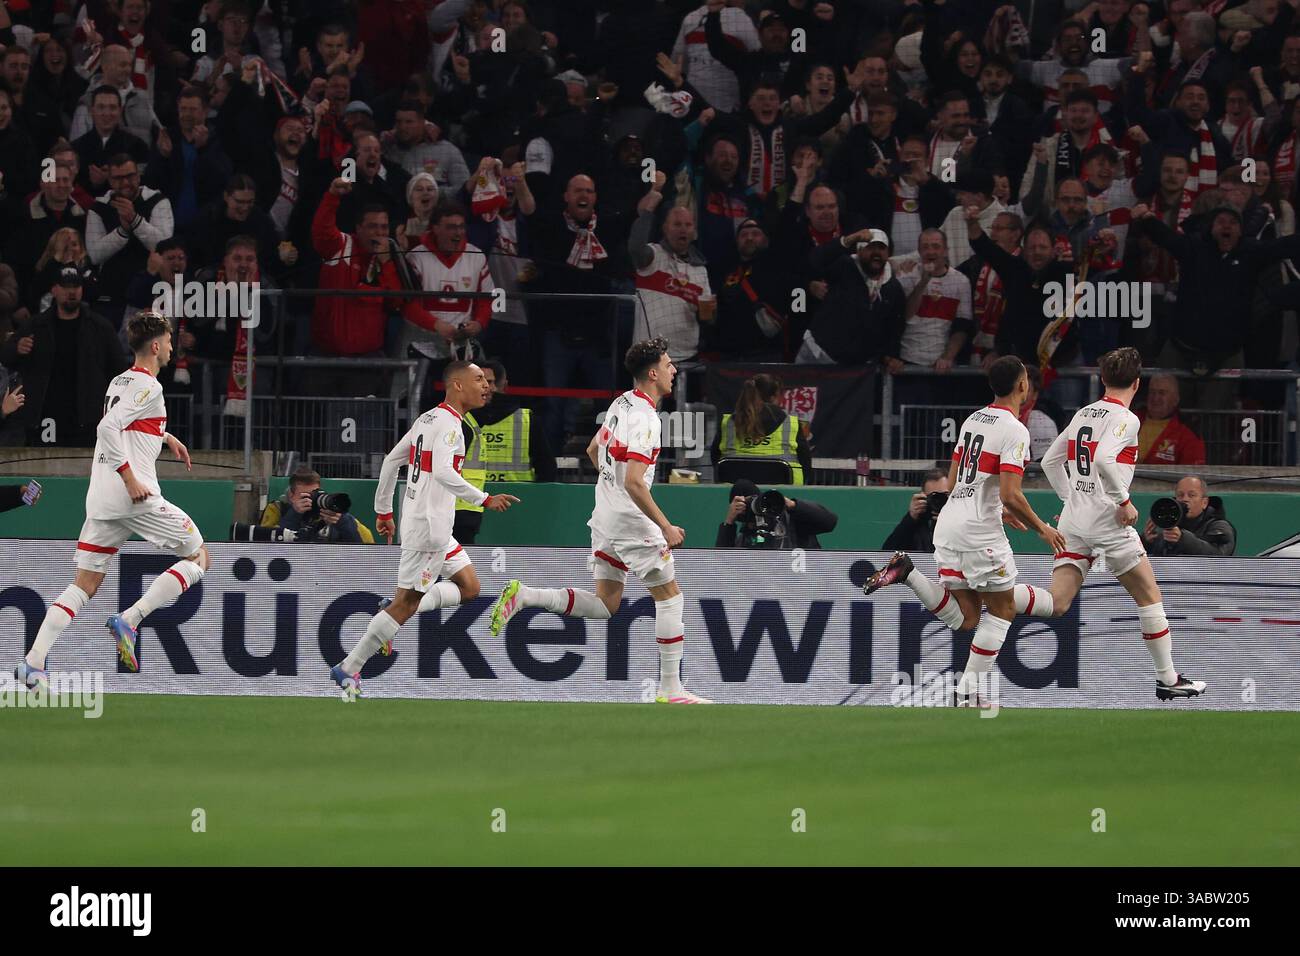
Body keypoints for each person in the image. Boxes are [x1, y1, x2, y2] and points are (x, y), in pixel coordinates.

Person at [488, 338, 713, 704]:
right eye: (670, 365)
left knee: (607, 604)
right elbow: (635, 482)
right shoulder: (645, 418)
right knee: (671, 599)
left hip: (605, 516)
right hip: (630, 520)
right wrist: (665, 527)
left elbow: (594, 450)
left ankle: (527, 595)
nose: (674, 371)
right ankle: (671, 689)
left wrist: (612, 489)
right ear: (653, 373)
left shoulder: (620, 403)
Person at [15, 311, 207, 690]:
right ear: (155, 346)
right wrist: (131, 476)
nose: (171, 347)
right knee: (199, 557)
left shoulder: (120, 381)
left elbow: (131, 424)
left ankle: (33, 663)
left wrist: (165, 438)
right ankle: (131, 619)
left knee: (85, 583)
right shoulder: (149, 387)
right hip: (133, 495)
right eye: (168, 341)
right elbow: (108, 428)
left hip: (100, 498)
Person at [864, 356, 1067, 706]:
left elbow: (957, 478)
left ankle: (907, 573)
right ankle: (968, 694)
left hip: (950, 524)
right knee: (1002, 610)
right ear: (1022, 385)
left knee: (968, 618)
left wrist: (994, 509)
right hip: (978, 533)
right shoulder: (1016, 429)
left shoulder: (975, 418)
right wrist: (1042, 529)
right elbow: (1011, 492)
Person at [1022, 347, 1206, 700]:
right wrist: (1124, 501)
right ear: (1137, 383)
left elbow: (1049, 463)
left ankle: (996, 596)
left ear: (1103, 379)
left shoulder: (1084, 413)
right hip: (1108, 521)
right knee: (1149, 597)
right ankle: (1167, 679)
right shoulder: (1128, 418)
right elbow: (1105, 457)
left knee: (1057, 602)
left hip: (1075, 520)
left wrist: (1071, 499)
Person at [329, 361, 519, 699]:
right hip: (430, 528)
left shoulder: (428, 418)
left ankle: (388, 610)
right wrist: (484, 498)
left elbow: (391, 460)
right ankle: (350, 666)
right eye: (478, 379)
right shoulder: (449, 427)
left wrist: (383, 510)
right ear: (457, 385)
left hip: (433, 525)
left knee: (470, 587)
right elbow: (444, 472)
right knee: (407, 604)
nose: (486, 386)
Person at [453, 360, 555, 545]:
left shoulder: (525, 419)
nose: (484, 387)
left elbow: (546, 467)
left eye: (489, 382)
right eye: (478, 380)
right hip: (468, 508)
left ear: (503, 385)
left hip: (514, 507)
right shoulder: (459, 419)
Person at [713, 372, 811, 483]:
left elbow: (715, 459)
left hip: (735, 494)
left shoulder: (728, 423)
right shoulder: (791, 423)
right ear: (774, 397)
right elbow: (806, 463)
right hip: (783, 495)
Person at [258, 467, 374, 544]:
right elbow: (264, 543)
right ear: (291, 496)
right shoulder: (277, 508)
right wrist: (294, 514)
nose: (311, 500)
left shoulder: (328, 511)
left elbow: (368, 543)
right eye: (304, 496)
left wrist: (342, 521)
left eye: (314, 494)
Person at [715, 478, 837, 548]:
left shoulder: (791, 521)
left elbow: (829, 522)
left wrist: (793, 505)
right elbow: (721, 564)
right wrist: (729, 523)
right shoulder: (745, 538)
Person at [1142, 475, 1237, 557]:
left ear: (1204, 502)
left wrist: (1183, 539)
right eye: (1180, 495)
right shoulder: (1168, 525)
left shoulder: (1219, 526)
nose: (1185, 499)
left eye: (1191, 495)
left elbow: (1221, 556)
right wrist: (1146, 542)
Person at [1137, 373, 1207, 465]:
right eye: (1152, 392)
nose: (1155, 398)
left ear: (1175, 400)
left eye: (1162, 393)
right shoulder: (1130, 419)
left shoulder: (1188, 434)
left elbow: (1194, 474)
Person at [881, 469, 949, 553]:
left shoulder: (960, 520)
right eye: (934, 496)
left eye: (945, 495)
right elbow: (887, 553)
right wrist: (911, 517)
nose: (939, 500)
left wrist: (950, 522)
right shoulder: (917, 523)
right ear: (924, 496)